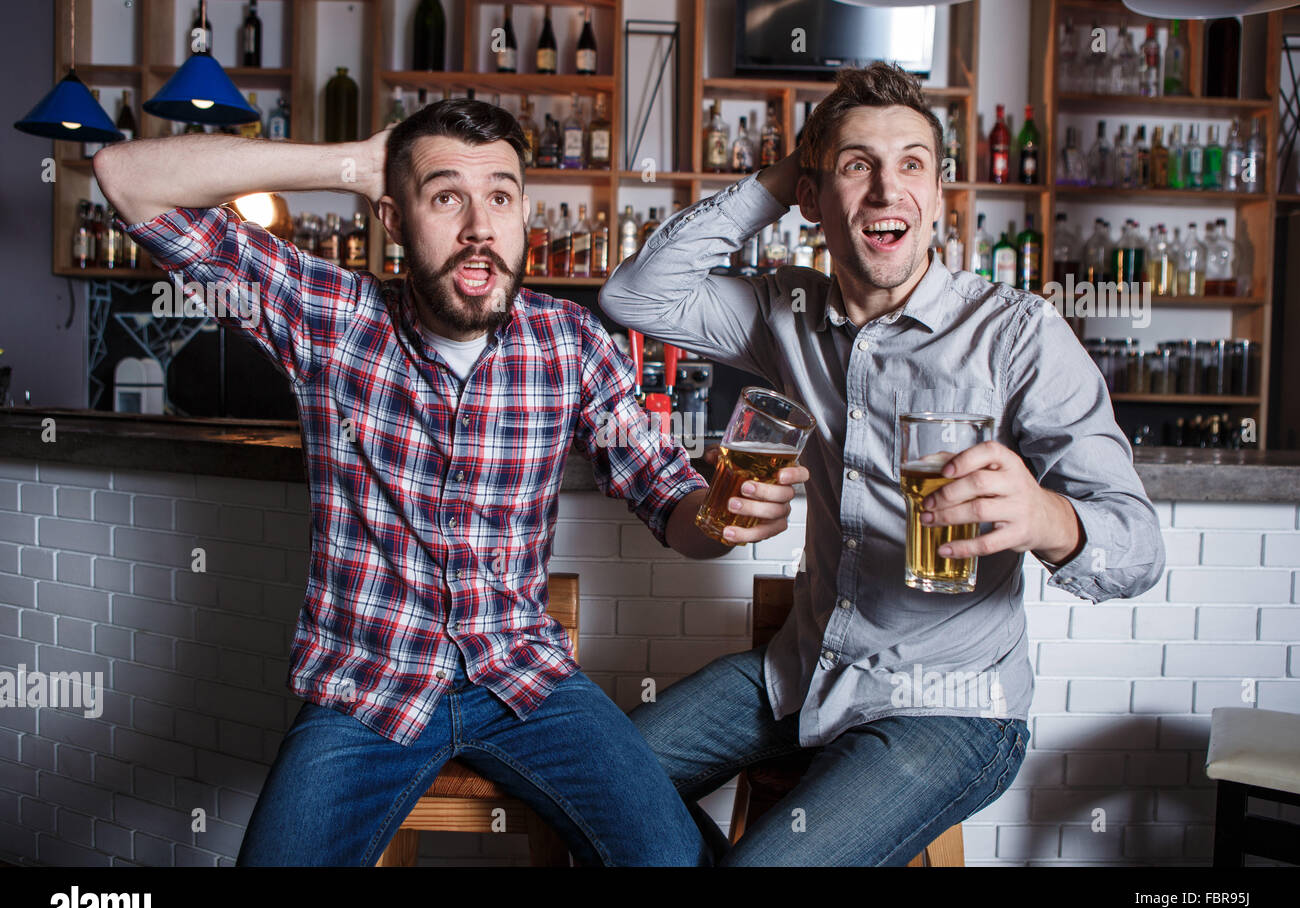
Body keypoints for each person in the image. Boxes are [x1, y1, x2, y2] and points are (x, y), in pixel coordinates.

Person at [93, 98, 805, 866]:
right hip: (366, 689)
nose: (478, 227)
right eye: (445, 197)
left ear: (525, 212)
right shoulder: (332, 317)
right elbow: (125, 177)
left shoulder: (571, 344)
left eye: (500, 196)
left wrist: (724, 518)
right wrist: (354, 164)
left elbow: (672, 505)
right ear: (394, 219)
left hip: (523, 681)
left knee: (671, 858)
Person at [598, 62, 1166, 866]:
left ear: (938, 196)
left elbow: (1138, 549)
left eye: (912, 166)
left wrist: (1047, 518)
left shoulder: (1018, 334)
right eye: (858, 165)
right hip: (798, 677)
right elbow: (636, 297)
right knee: (593, 787)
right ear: (812, 197)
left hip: (950, 711)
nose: (886, 190)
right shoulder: (784, 311)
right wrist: (786, 173)